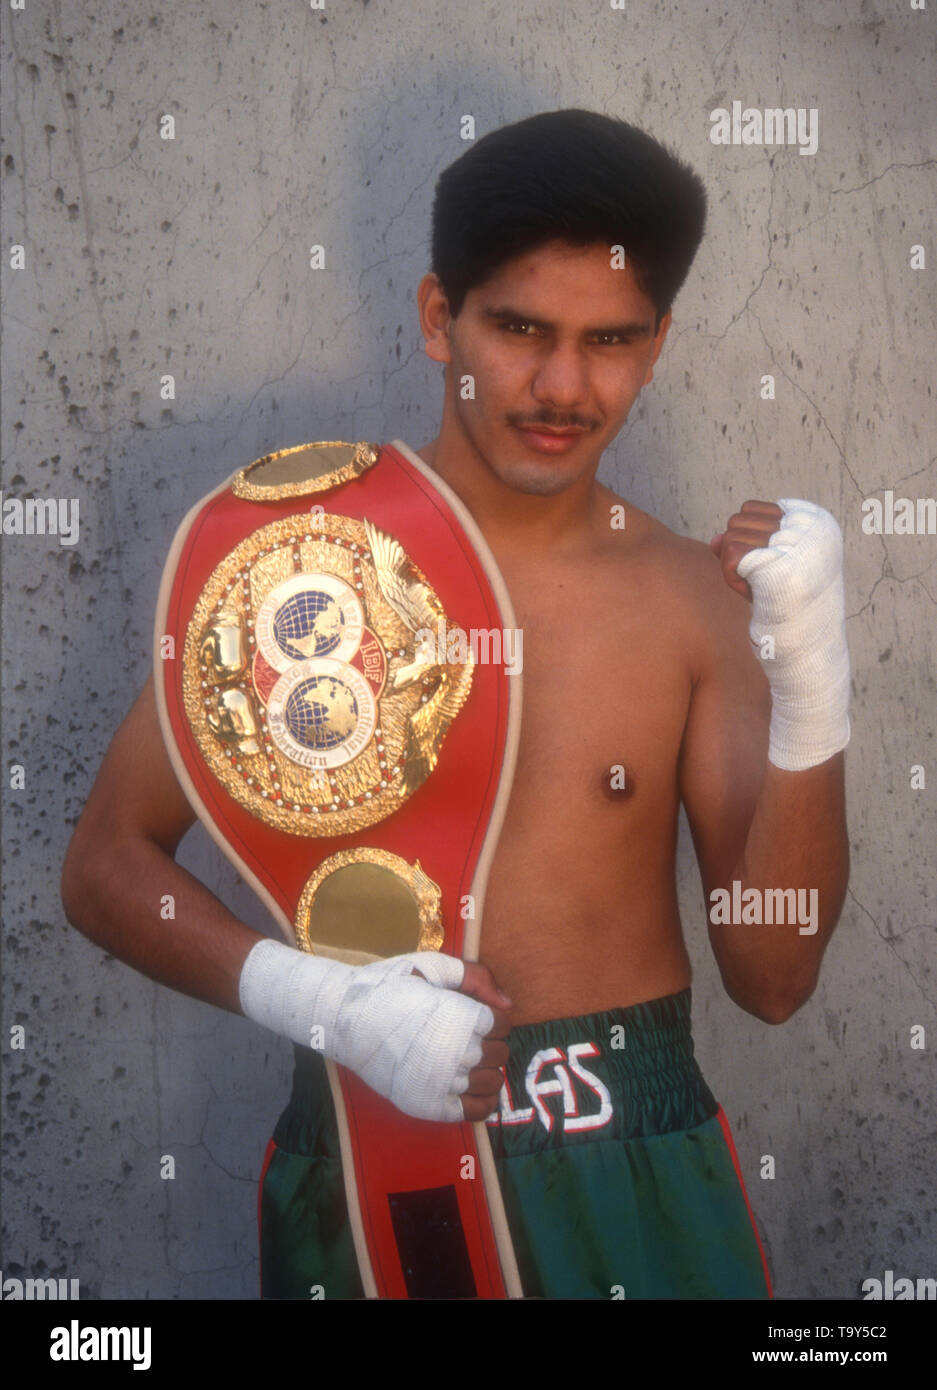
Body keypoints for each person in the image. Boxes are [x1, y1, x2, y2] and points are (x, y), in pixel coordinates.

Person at [61, 109, 850, 1300]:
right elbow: (105, 864)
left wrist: (811, 672)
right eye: (520, 328)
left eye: (611, 340)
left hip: (631, 1152)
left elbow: (775, 978)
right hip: (373, 1150)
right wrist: (322, 1003)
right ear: (441, 318)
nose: (563, 384)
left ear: (659, 342)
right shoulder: (306, 571)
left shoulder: (697, 599)